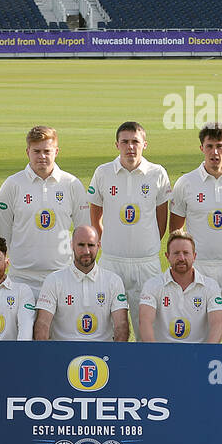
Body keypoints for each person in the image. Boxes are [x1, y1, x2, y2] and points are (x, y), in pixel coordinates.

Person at [88, 121, 170, 339]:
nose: (130, 147)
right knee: (107, 327)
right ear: (117, 145)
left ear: (144, 144)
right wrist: (106, 239)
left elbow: (161, 219)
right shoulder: (103, 172)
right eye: (125, 142)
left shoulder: (157, 173)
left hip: (147, 263)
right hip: (111, 261)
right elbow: (95, 213)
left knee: (149, 330)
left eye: (135, 141)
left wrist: (149, 241)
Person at [0, 125, 90, 292]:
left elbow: (83, 230)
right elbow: (3, 233)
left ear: (56, 151)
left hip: (62, 275)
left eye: (47, 151)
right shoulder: (12, 184)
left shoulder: (71, 184)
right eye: (36, 151)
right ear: (28, 152)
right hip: (20, 277)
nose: (42, 156)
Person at [168, 122, 222, 303]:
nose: (215, 152)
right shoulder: (186, 183)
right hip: (198, 266)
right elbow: (176, 230)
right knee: (197, 318)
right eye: (209, 146)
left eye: (220, 146)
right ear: (202, 148)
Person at [33, 225, 129, 342]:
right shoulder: (54, 280)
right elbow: (43, 323)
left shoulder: (113, 281)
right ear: (72, 245)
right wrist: (44, 352)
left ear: (99, 246)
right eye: (81, 245)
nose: (86, 251)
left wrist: (116, 352)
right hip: (64, 350)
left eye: (91, 245)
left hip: (102, 351)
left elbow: (121, 325)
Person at [137, 232, 222, 343]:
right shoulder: (152, 285)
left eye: (186, 253)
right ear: (167, 256)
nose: (181, 258)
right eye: (176, 253)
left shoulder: (210, 286)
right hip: (163, 350)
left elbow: (217, 324)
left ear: (194, 256)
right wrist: (155, 351)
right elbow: (145, 321)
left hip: (198, 351)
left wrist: (207, 352)